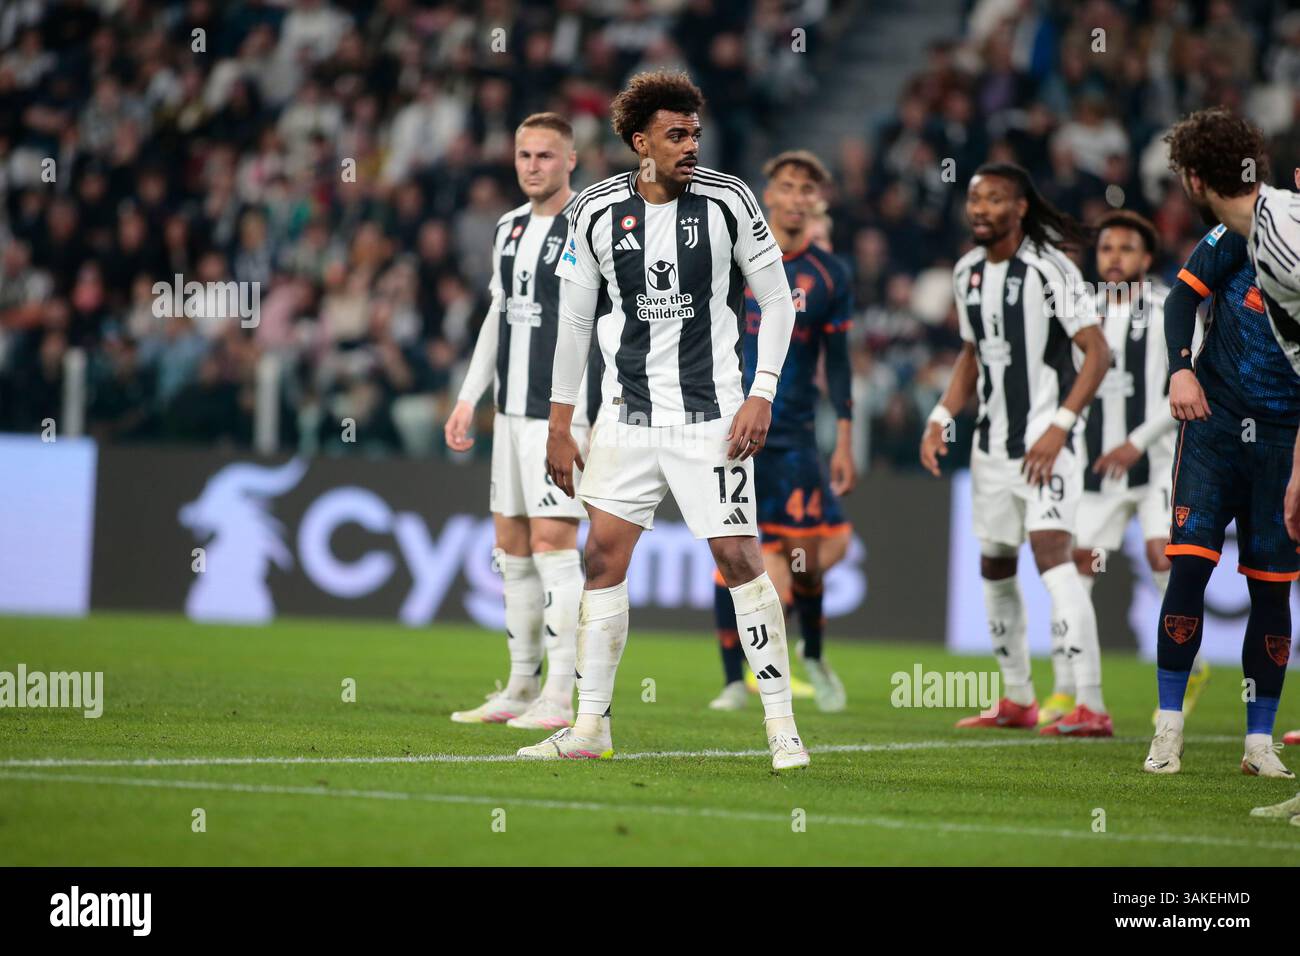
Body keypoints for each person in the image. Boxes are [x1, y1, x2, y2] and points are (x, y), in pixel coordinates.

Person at [519, 70, 808, 770]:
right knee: (600, 559)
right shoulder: (592, 211)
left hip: (712, 419)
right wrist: (563, 422)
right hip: (628, 418)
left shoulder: (730, 200)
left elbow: (778, 301)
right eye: (676, 135)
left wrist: (761, 391)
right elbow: (576, 320)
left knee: (739, 559)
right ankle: (591, 730)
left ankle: (782, 729)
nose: (690, 146)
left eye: (695, 134)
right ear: (639, 140)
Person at [920, 163, 1111, 736]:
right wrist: (939, 417)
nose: (981, 209)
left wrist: (1060, 426)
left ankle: (1092, 705)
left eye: (996, 199)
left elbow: (1096, 353)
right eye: (975, 200)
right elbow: (972, 355)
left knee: (1052, 556)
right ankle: (1019, 700)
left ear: (1021, 206)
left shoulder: (1050, 267)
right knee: (996, 564)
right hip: (990, 450)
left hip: (1046, 446)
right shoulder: (967, 272)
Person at [444, 113, 599, 731]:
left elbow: (604, 325)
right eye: (524, 155)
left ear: (571, 162)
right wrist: (466, 398)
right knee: (511, 547)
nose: (532, 166)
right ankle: (518, 686)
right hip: (508, 413)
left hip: (563, 414)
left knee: (554, 546)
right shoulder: (507, 228)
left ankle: (560, 698)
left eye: (545, 156)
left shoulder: (589, 225)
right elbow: (497, 317)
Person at [708, 150, 855, 714]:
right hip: (729, 425)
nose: (795, 198)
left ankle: (812, 654)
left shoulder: (829, 275)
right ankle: (732, 679)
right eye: (786, 187)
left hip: (793, 436)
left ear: (816, 203)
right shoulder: (733, 255)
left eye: (806, 191)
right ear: (768, 195)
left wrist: (843, 437)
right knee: (733, 551)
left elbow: (838, 362)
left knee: (806, 559)